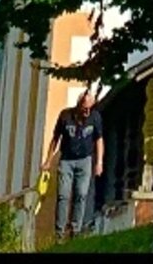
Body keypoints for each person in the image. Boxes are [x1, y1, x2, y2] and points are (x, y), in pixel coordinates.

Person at [50, 89, 105, 240]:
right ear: (79, 105)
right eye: (85, 108)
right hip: (66, 160)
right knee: (63, 195)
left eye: (90, 108)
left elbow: (99, 140)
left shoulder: (95, 117)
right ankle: (59, 234)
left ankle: (76, 230)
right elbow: (55, 138)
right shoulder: (65, 116)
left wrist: (99, 162)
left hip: (85, 160)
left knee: (81, 194)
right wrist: (48, 161)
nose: (87, 111)